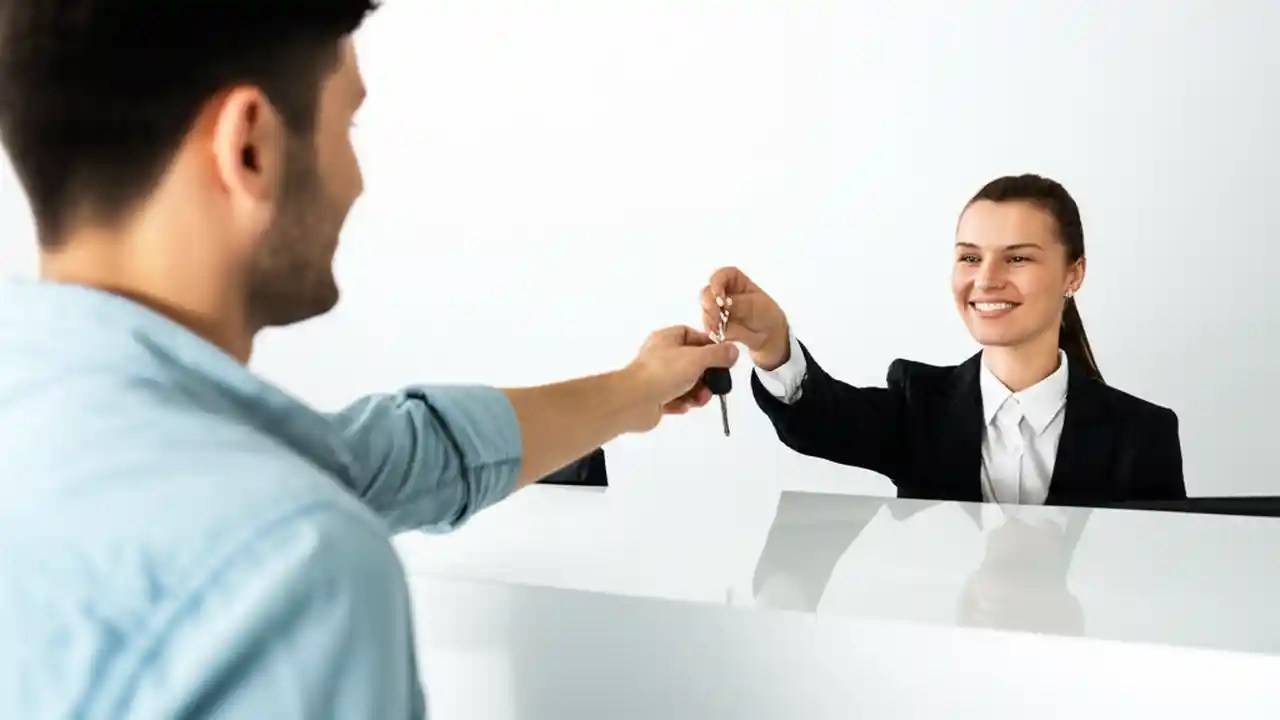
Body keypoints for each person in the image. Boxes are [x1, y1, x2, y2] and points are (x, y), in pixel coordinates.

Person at [0, 2, 738, 717]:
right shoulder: (296, 573)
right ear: (250, 147)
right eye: (347, 125)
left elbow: (383, 459)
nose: (357, 180)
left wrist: (635, 389)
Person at [701, 173, 1185, 507]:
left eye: (1017, 258)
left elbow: (1160, 586)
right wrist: (772, 344)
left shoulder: (1142, 434)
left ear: (1073, 274)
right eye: (970, 258)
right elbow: (820, 420)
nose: (987, 279)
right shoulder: (919, 404)